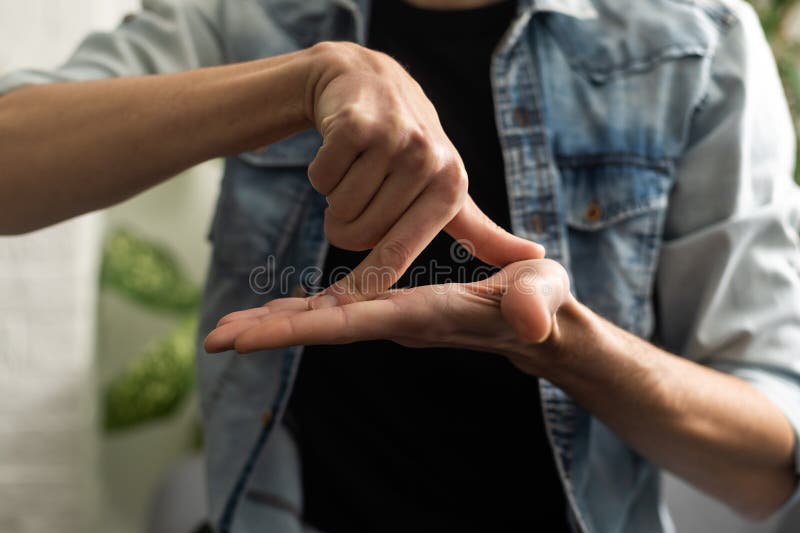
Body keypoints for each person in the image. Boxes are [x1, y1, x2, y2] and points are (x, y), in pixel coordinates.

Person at [2, 0, 800, 532]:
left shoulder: (693, 36)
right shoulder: (252, 11)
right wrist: (302, 79)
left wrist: (564, 344)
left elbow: (767, 461)